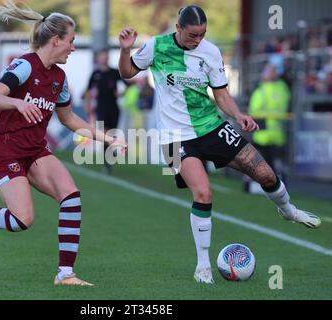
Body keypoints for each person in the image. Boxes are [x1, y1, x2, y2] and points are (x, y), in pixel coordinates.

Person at [118, 5, 321, 284]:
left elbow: (222, 94)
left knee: (265, 173)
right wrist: (125, 50)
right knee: (203, 193)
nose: (197, 40)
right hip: (173, 138)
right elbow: (127, 73)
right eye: (192, 35)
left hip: (211, 127)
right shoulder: (156, 46)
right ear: (178, 28)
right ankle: (203, 267)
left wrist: (239, 116)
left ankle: (288, 210)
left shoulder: (210, 52)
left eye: (202, 34)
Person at [0, 0, 126, 287]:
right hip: (4, 148)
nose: (73, 47)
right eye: (70, 41)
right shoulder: (24, 65)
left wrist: (106, 137)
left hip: (35, 150)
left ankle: (65, 275)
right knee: (21, 219)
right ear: (56, 40)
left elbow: (69, 118)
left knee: (71, 197)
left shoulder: (59, 77)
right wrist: (17, 103)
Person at [246, 63, 290, 193]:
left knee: (259, 163)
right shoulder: (284, 89)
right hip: (278, 134)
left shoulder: (261, 90)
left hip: (263, 135)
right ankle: (281, 188)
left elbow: (253, 110)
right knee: (277, 165)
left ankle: (254, 186)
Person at [84, 48, 126, 174]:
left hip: (114, 108)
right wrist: (88, 104)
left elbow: (128, 85)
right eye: (103, 55)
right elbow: (88, 90)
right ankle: (106, 163)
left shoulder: (114, 72)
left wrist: (121, 93)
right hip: (101, 108)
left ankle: (111, 152)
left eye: (107, 56)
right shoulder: (95, 74)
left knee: (111, 134)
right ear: (98, 58)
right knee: (105, 134)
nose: (105, 58)